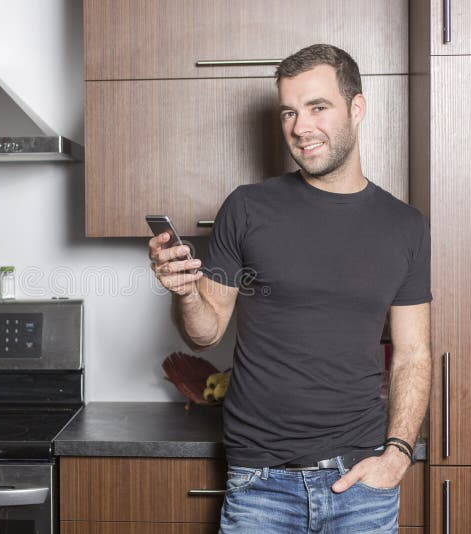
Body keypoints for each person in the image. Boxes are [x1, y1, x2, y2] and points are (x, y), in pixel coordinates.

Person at [148, 44, 431, 533]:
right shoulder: (246, 208)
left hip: (362, 482)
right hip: (259, 484)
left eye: (318, 107)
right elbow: (205, 333)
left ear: (356, 108)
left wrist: (398, 455)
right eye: (289, 112)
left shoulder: (405, 226)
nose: (300, 127)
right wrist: (187, 293)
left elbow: (413, 355)